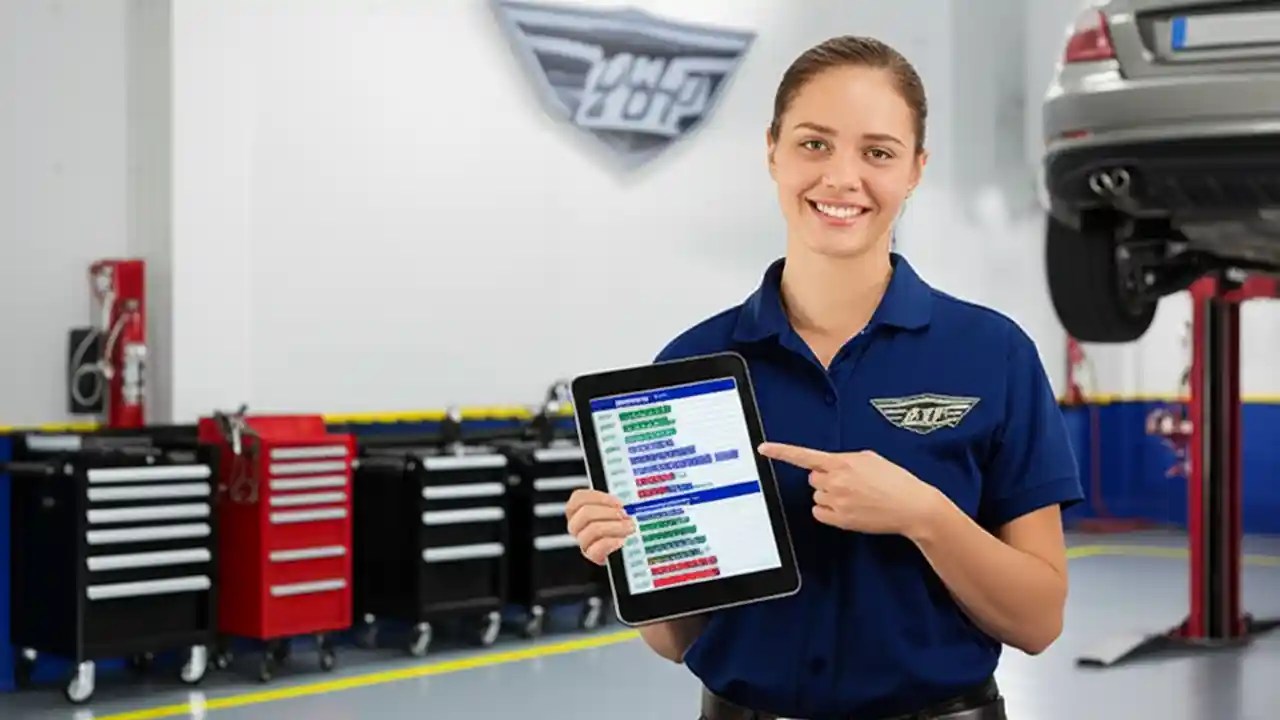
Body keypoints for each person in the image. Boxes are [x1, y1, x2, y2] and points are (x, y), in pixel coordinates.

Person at [564, 35, 1083, 720]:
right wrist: (629, 560)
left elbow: (1038, 621)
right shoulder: (689, 367)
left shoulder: (993, 353)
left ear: (915, 169)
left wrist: (923, 516)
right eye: (814, 144)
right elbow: (677, 639)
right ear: (772, 150)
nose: (842, 178)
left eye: (877, 152)